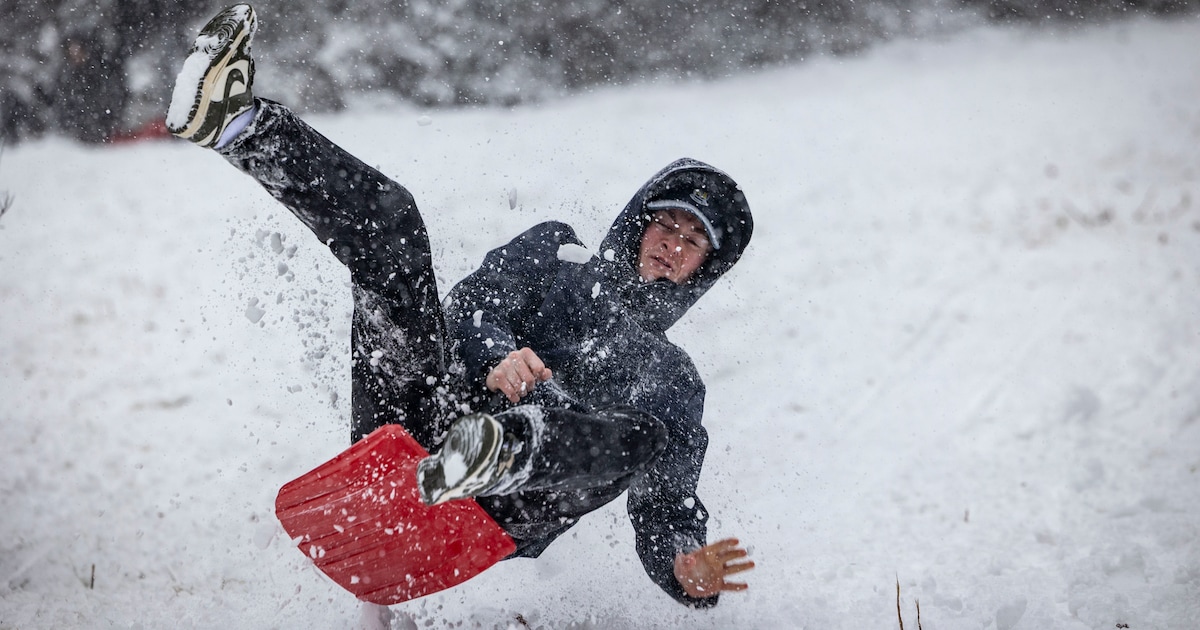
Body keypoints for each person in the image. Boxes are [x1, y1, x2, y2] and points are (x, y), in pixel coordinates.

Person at [167, 5, 755, 608]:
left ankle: (502, 452)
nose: (672, 245)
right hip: (425, 424)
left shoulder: (671, 380)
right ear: (640, 223)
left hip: (503, 505)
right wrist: (498, 356)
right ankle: (236, 123)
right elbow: (473, 303)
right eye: (667, 225)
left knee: (646, 436)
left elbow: (666, 503)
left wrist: (683, 560)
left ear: (704, 269)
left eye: (692, 241)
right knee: (395, 231)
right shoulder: (555, 252)